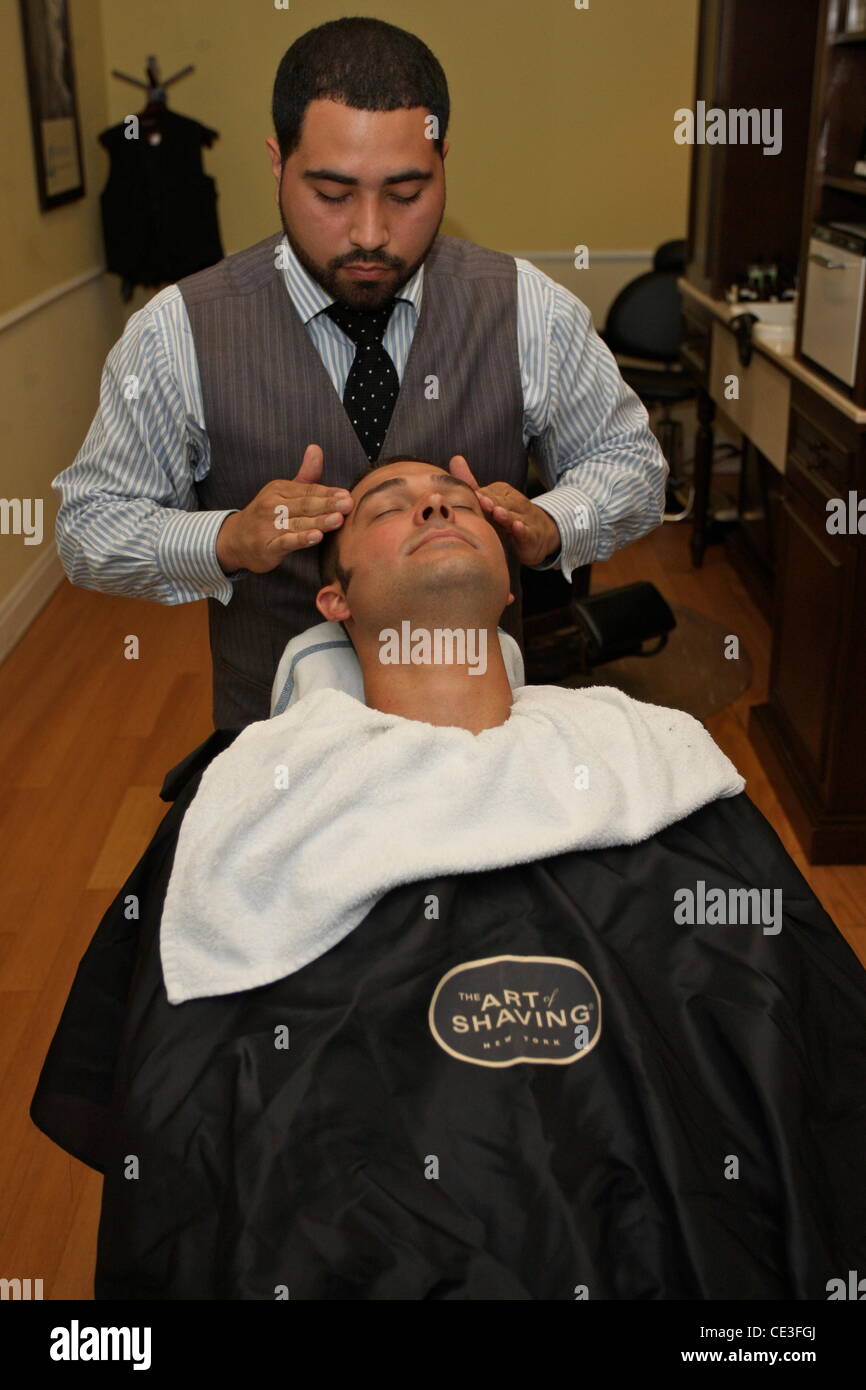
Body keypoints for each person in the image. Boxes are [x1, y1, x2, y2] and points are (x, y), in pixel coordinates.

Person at [32, 456, 866, 1300]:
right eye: (389, 508)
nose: (434, 503)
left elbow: (810, 1051)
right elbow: (188, 1135)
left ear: (510, 587)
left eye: (459, 501)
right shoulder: (258, 802)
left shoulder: (651, 759)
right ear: (337, 601)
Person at [51, 16, 668, 729]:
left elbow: (633, 467)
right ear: (277, 163)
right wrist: (225, 541)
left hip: (482, 742)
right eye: (333, 195)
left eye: (405, 194)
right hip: (278, 754)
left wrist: (553, 524)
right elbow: (90, 527)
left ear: (444, 164)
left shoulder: (527, 308)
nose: (371, 233)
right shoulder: (178, 330)